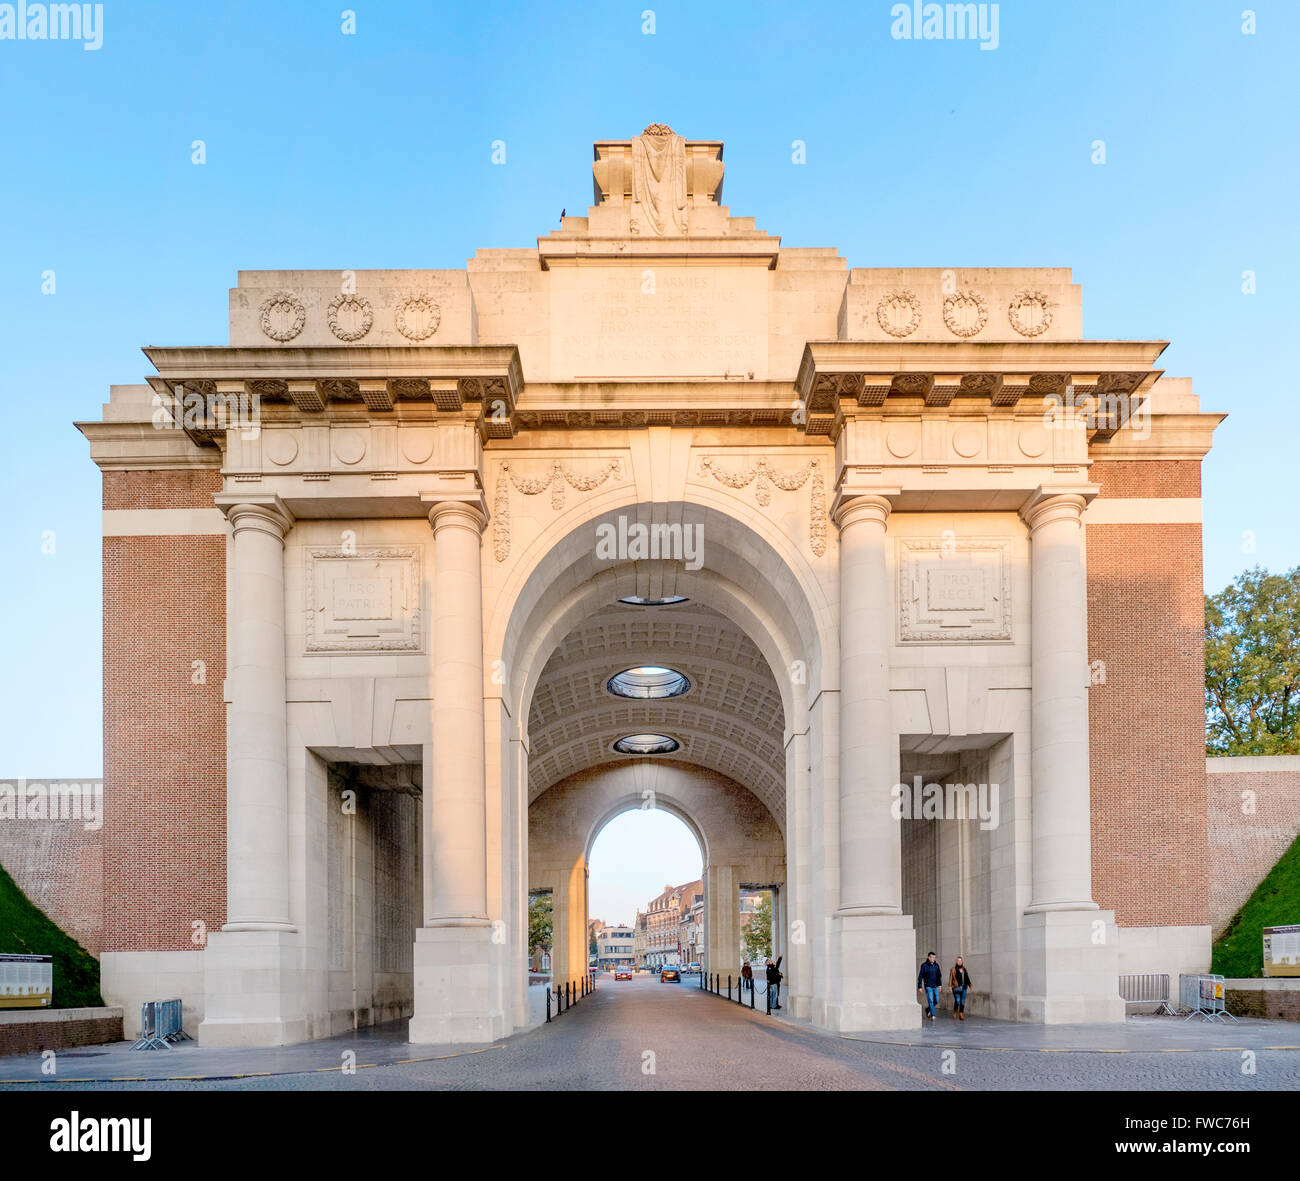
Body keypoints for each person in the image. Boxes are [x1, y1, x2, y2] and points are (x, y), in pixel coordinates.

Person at [917, 952, 942, 1020]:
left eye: (934, 957)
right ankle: (933, 1015)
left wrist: (939, 985)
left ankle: (928, 1009)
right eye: (932, 957)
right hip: (928, 986)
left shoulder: (936, 965)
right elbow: (920, 976)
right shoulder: (924, 965)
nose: (933, 959)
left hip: (935, 986)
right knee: (930, 1000)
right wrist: (920, 986)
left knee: (936, 1000)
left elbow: (939, 976)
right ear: (929, 957)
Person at [949, 956, 972, 1021]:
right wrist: (950, 986)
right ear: (956, 962)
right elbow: (951, 978)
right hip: (956, 988)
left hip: (964, 987)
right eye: (958, 961)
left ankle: (961, 1013)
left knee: (962, 1001)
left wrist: (970, 984)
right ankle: (955, 1011)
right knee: (958, 1000)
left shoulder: (964, 969)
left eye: (960, 961)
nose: (959, 962)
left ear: (962, 962)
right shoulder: (953, 969)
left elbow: (967, 977)